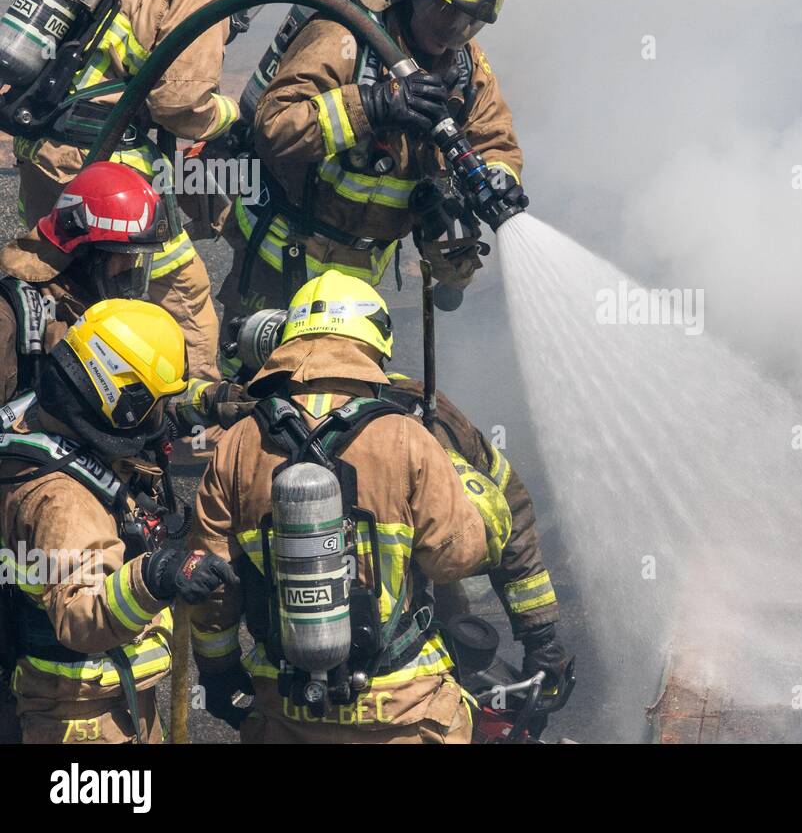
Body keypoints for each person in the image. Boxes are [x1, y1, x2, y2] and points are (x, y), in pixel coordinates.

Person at [188, 272, 565, 742]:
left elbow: (208, 586)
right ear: (377, 340)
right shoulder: (409, 431)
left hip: (286, 707)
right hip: (404, 707)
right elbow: (457, 557)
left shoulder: (239, 442)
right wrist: (473, 499)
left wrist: (219, 674)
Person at [12, 0, 313, 382]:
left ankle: (63, 395)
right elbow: (181, 105)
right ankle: (194, 426)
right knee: (186, 299)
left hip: (50, 147)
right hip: (100, 158)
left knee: (73, 284)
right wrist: (232, 116)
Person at [220, 0, 523, 363]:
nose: (456, 31)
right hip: (282, 257)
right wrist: (371, 105)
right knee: (254, 378)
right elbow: (276, 124)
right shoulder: (344, 34)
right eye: (445, 14)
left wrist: (498, 175)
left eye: (470, 21)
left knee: (342, 390)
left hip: (360, 280)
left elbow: (494, 137)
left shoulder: (466, 66)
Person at [0, 299, 238, 743]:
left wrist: (207, 402)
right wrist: (156, 575)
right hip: (81, 718)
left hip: (108, 696)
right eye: (157, 407)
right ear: (118, 403)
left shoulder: (40, 419)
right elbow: (81, 614)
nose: (165, 420)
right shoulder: (62, 502)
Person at [0, 161, 253, 429]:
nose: (132, 271)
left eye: (140, 260)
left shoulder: (100, 310)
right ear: (86, 252)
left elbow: (146, 397)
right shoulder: (13, 317)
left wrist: (210, 399)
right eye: (124, 259)